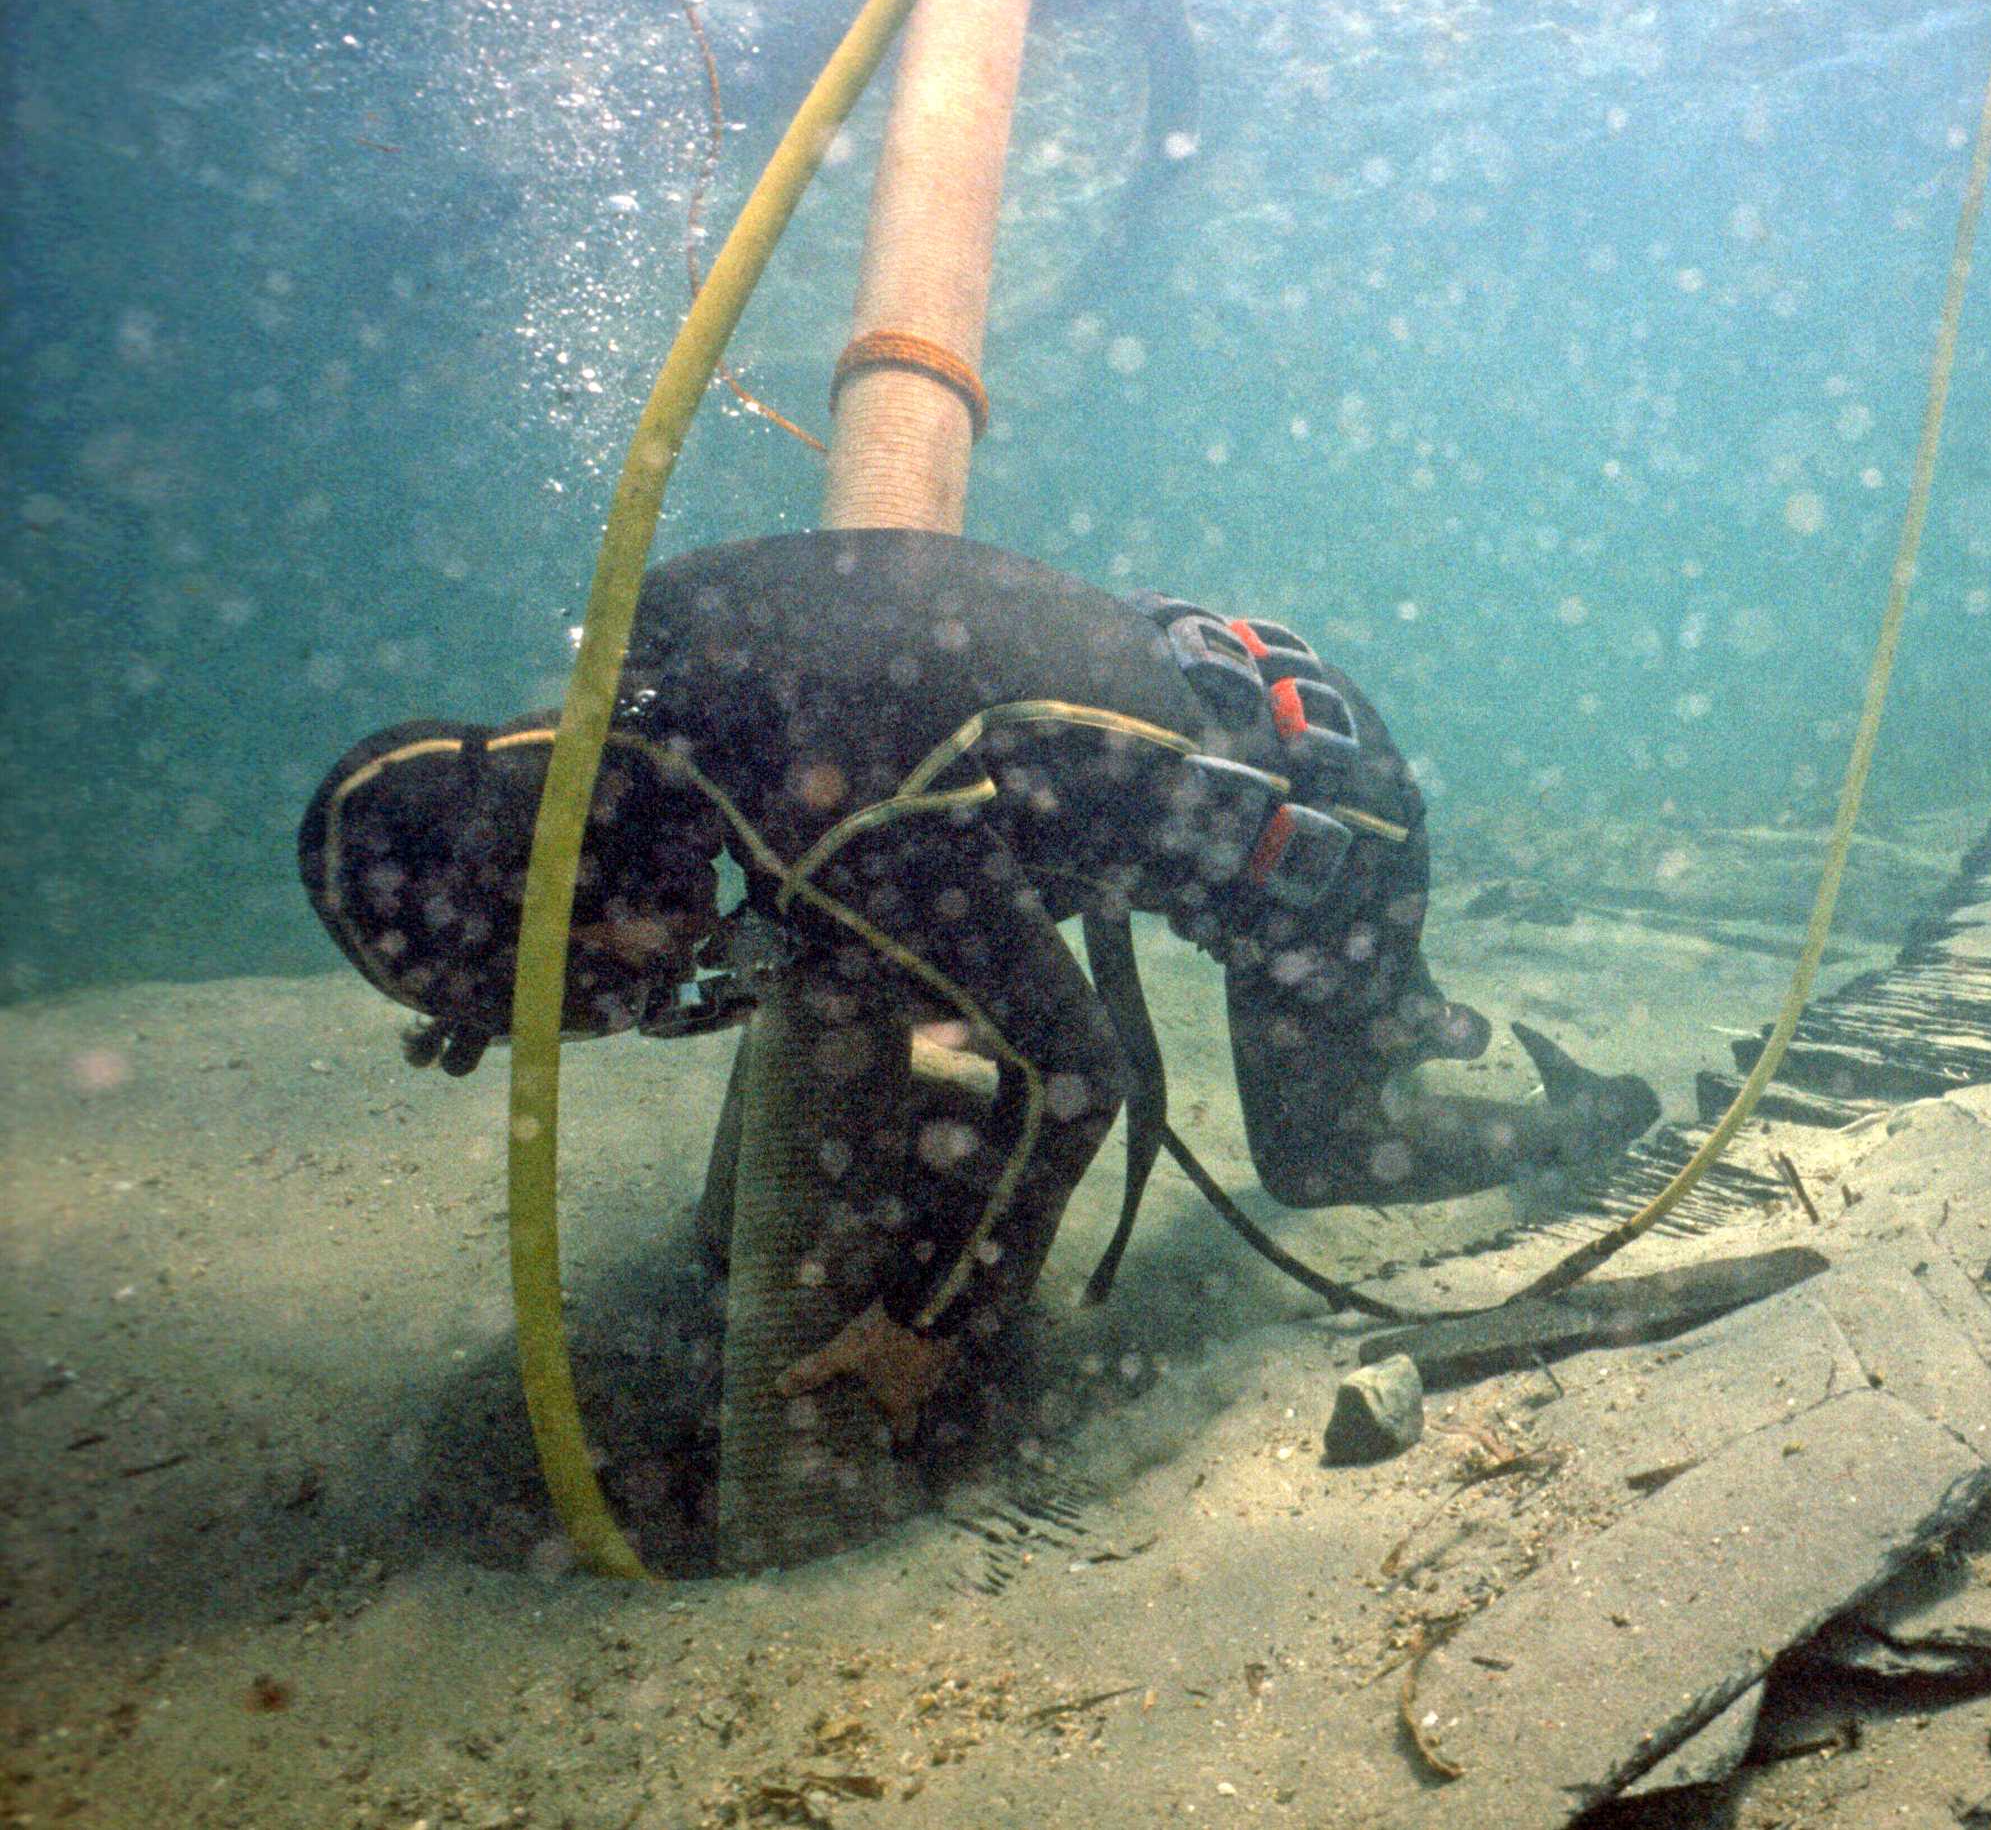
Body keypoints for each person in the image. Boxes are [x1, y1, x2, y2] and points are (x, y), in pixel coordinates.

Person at [297, 528, 1660, 1438]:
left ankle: (1580, 1119)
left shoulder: (844, 833)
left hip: (1324, 827)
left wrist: (925, 1327)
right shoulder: (658, 646)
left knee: (1323, 1153)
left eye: (583, 980)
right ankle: (1400, 1019)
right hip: (1228, 682)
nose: (634, 1003)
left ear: (573, 883)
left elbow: (1078, 1081)